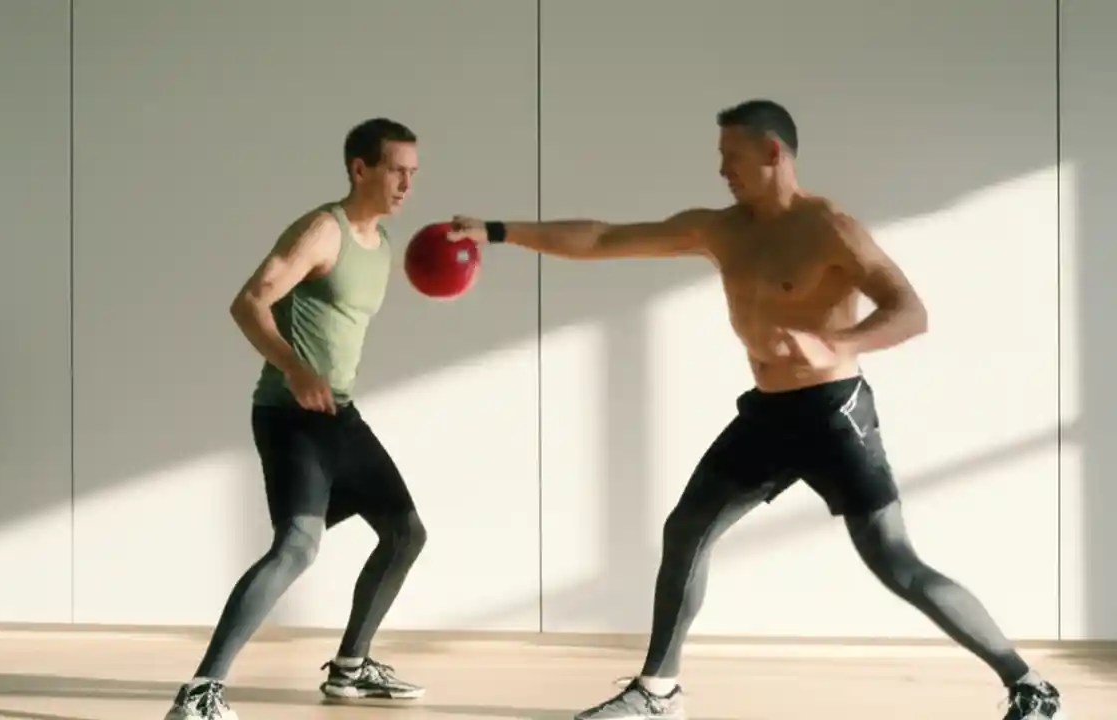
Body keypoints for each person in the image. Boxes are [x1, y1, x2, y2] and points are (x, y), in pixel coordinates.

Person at [449, 99, 1067, 720]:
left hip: (833, 413)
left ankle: (1030, 685)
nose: (722, 170)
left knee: (895, 562)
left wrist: (838, 343)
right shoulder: (723, 229)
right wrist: (498, 232)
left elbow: (910, 311)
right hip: (769, 416)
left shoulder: (830, 227)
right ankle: (658, 691)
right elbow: (606, 238)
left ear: (774, 153)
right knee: (687, 528)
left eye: (732, 157)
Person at [164, 118, 428, 720]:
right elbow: (249, 301)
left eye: (414, 172)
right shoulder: (321, 231)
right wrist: (293, 368)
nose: (407, 183)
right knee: (297, 548)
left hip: (340, 416)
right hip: (290, 415)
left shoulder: (382, 245)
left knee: (406, 532)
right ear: (359, 169)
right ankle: (202, 692)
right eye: (396, 169)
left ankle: (351, 669)